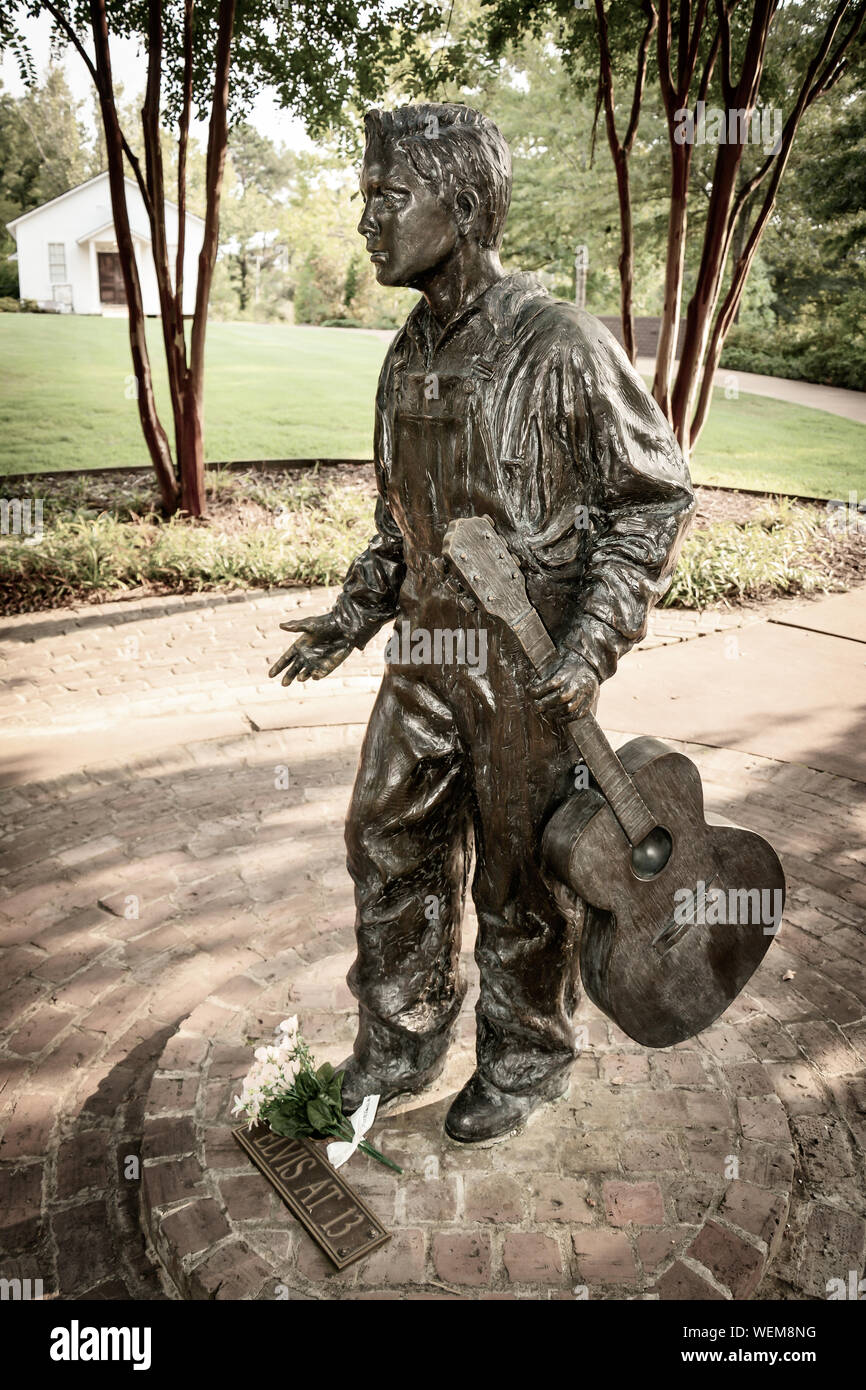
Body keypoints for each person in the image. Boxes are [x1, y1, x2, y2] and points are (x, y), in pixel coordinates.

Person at [269, 103, 695, 1145]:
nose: (366, 217)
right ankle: (402, 1035)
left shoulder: (559, 344)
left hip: (527, 666)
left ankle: (525, 1054)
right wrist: (354, 613)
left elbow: (651, 497)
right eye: (365, 193)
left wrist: (592, 641)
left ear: (460, 207)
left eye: (385, 195)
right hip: (424, 652)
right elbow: (402, 526)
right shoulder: (405, 355)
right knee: (383, 834)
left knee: (519, 875)